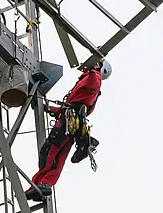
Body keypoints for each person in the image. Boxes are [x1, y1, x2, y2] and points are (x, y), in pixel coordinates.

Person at [26, 59, 111, 204]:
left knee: (49, 151)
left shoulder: (94, 78)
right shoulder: (87, 87)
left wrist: (91, 70)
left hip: (68, 123)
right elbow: (74, 105)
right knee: (58, 158)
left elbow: (92, 85)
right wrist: (49, 109)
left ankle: (38, 184)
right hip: (73, 126)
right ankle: (45, 184)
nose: (95, 63)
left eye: (98, 63)